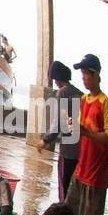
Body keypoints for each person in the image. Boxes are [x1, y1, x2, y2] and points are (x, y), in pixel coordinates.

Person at [65, 53, 108, 215]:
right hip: (81, 168)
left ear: (96, 75)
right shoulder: (84, 100)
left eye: (86, 73)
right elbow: (81, 129)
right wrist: (75, 127)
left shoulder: (105, 104)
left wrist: (86, 132)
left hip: (96, 174)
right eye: (83, 74)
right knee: (68, 213)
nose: (83, 77)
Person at [40, 60, 82, 202]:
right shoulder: (80, 94)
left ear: (56, 78)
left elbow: (58, 121)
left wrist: (45, 140)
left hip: (68, 149)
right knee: (75, 188)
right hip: (80, 150)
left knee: (64, 187)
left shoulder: (63, 93)